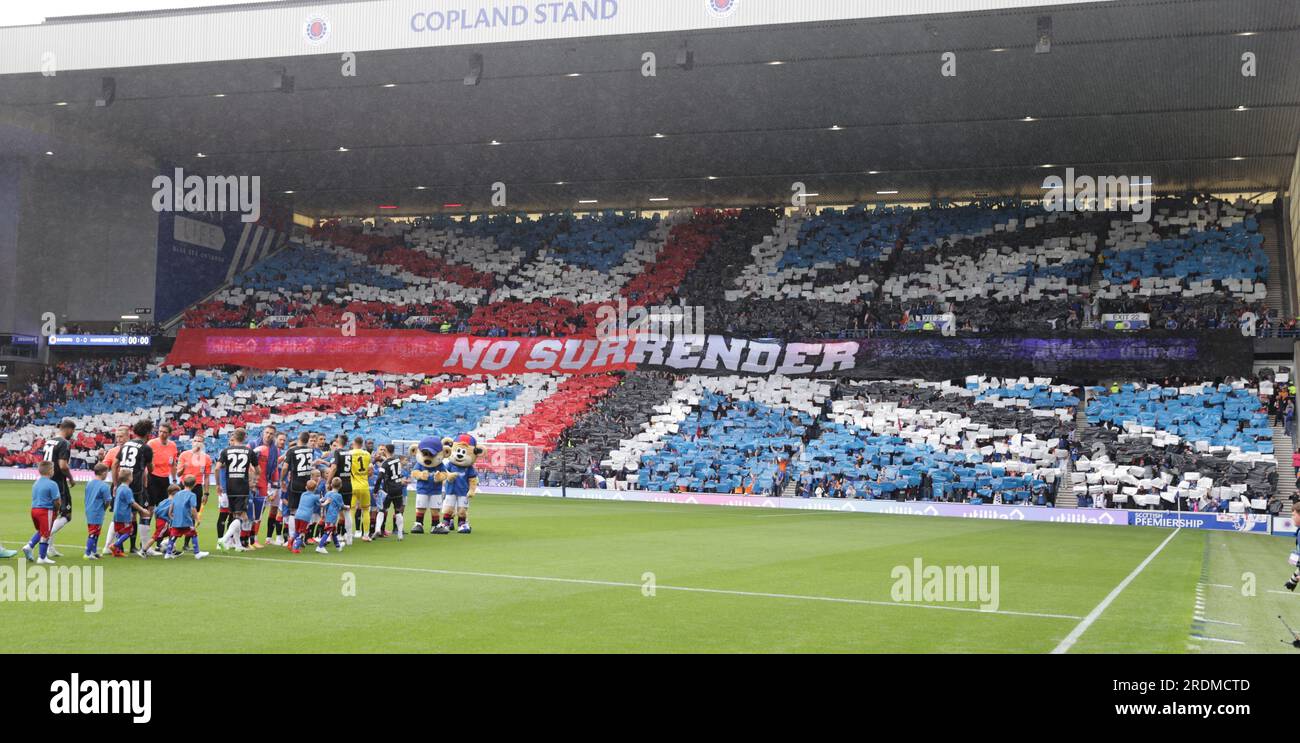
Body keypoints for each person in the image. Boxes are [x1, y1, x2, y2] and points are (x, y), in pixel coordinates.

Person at [116, 419, 155, 553]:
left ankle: (121, 546)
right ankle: (142, 547)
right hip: (136, 485)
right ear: (148, 433)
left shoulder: (125, 445)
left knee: (124, 515)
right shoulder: (146, 448)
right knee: (144, 514)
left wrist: (116, 484)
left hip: (122, 483)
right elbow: (151, 469)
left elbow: (115, 463)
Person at [217, 428, 258, 551]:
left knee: (235, 514)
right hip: (242, 486)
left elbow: (217, 468)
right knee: (242, 516)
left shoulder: (225, 451)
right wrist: (254, 480)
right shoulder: (249, 451)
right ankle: (223, 540)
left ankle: (237, 544)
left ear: (234, 437)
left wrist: (218, 484)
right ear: (245, 438)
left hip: (229, 486)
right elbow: (257, 470)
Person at [42, 419, 76, 557]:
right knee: (66, 515)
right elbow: (63, 465)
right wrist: (71, 478)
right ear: (68, 429)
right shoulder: (64, 443)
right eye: (72, 431)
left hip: (47, 480)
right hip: (58, 482)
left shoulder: (49, 441)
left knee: (53, 514)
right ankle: (44, 537)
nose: (72, 434)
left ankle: (49, 547)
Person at [22, 461, 62, 564]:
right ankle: (42, 557)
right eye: (52, 469)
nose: (53, 471)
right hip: (45, 510)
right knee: (46, 534)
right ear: (50, 471)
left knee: (41, 530)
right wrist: (57, 510)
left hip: (34, 510)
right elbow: (57, 501)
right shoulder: (52, 484)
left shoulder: (36, 483)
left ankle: (29, 546)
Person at [108, 467, 149, 558]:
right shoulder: (127, 490)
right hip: (124, 515)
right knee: (129, 532)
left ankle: (117, 551)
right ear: (129, 478)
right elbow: (132, 502)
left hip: (116, 515)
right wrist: (142, 510)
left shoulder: (119, 488)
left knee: (120, 532)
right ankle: (115, 546)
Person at [164, 476, 208, 560]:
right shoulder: (192, 495)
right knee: (194, 534)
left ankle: (168, 553)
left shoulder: (177, 493)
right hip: (186, 519)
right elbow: (193, 508)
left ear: (183, 483)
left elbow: (172, 504)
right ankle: (197, 553)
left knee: (173, 535)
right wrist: (197, 519)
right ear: (195, 484)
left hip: (176, 519)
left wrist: (170, 513)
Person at [139, 485, 178, 558]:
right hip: (164, 522)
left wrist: (157, 520)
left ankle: (170, 550)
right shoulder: (173, 503)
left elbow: (155, 511)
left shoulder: (163, 501)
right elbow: (171, 513)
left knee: (172, 533)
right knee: (155, 537)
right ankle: (143, 550)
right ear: (175, 494)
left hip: (159, 520)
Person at [346, 436, 372, 542]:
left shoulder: (349, 454)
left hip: (352, 485)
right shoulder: (367, 454)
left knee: (351, 510)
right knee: (366, 510)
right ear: (363, 444)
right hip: (364, 485)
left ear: (353, 443)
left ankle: (350, 534)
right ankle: (366, 535)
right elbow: (370, 470)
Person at [83, 463, 111, 559]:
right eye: (107, 472)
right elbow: (108, 500)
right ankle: (87, 553)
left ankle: (93, 552)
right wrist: (104, 508)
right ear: (103, 473)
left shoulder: (89, 483)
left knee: (95, 532)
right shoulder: (104, 486)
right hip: (97, 511)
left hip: (89, 510)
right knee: (93, 533)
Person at [289, 478, 323, 554]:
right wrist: (326, 501)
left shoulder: (303, 494)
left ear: (306, 487)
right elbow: (320, 504)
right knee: (302, 533)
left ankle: (290, 542)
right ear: (315, 488)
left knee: (297, 531)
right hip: (305, 517)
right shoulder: (315, 497)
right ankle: (296, 547)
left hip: (297, 515)